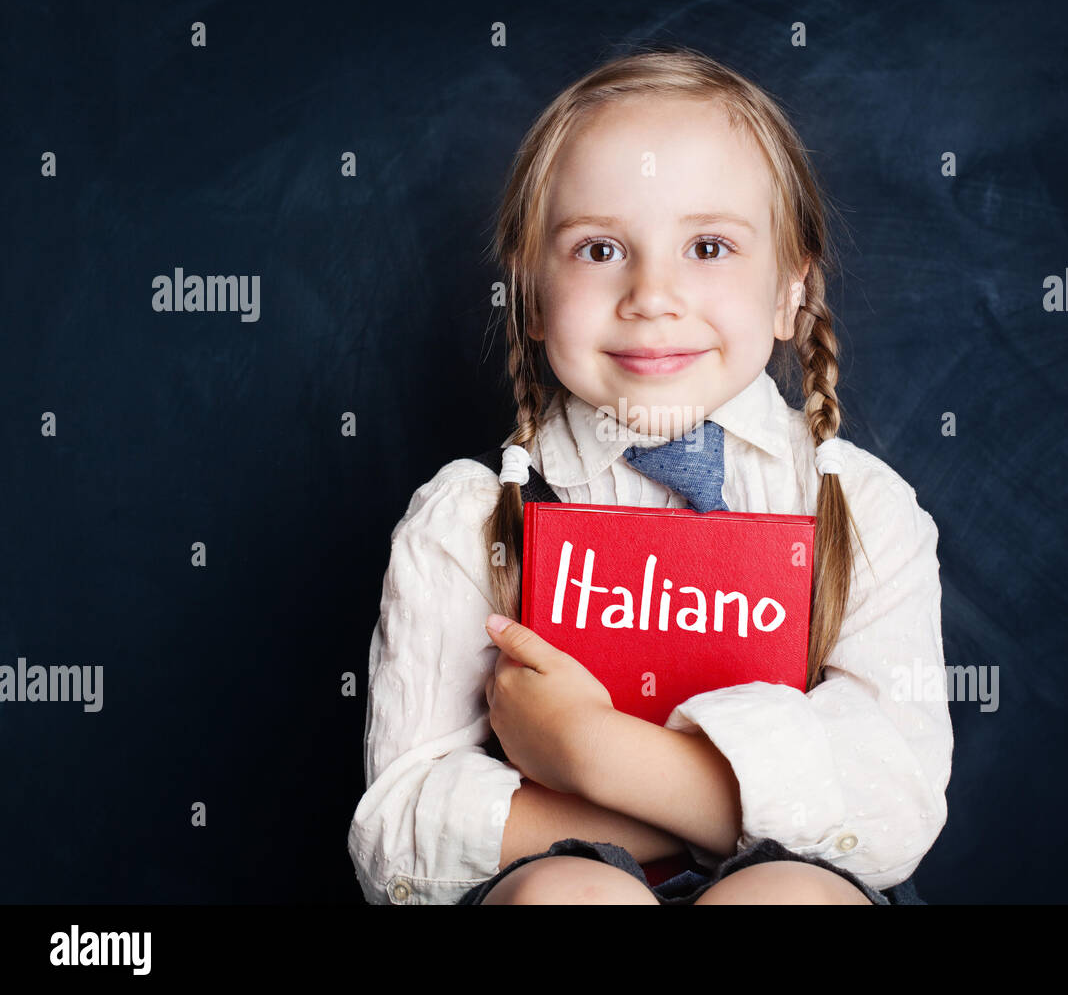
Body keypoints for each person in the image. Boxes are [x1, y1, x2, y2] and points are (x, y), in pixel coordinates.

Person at [347, 46, 952, 905]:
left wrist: (592, 752)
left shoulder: (863, 511)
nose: (652, 294)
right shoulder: (467, 521)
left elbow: (891, 812)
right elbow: (399, 842)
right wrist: (685, 803)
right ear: (529, 295)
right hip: (554, 887)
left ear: (791, 291)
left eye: (709, 246)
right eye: (599, 249)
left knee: (784, 898)